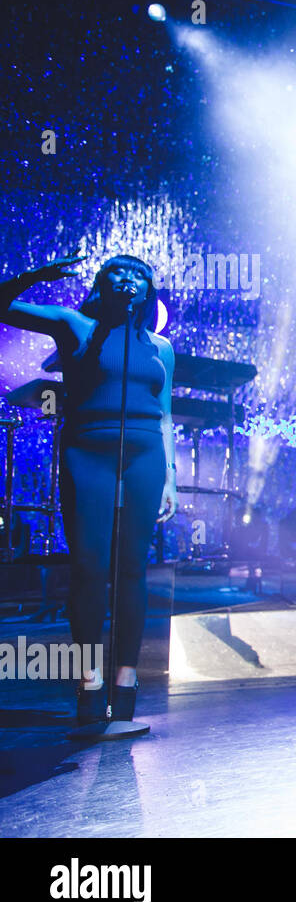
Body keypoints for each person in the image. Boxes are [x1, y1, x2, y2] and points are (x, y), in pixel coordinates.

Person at [1, 254, 178, 724]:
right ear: (102, 284)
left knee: (131, 568)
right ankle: (87, 679)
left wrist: (172, 480)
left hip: (144, 455)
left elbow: (165, 414)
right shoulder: (73, 325)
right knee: (88, 565)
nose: (129, 279)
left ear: (148, 290)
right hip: (87, 449)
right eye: (118, 272)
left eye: (139, 275)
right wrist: (35, 276)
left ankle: (126, 676)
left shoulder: (160, 347)